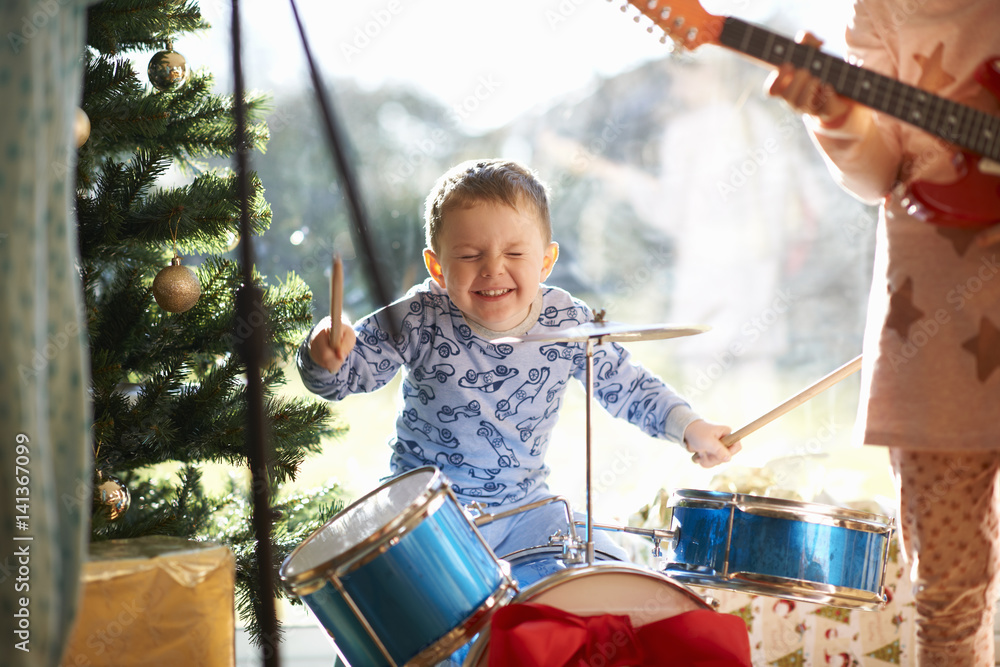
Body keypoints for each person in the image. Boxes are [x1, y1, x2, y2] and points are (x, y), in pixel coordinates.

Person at [298, 158, 741, 563]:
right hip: (423, 517)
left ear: (546, 261)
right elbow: (344, 379)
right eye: (470, 255)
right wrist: (324, 355)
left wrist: (689, 427)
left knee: (602, 578)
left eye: (514, 253)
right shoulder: (419, 315)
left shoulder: (568, 319)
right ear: (436, 268)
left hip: (526, 512)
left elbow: (626, 385)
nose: (493, 268)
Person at [766, 2, 1000, 664]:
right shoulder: (881, 8)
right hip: (930, 325)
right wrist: (836, 116)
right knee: (950, 599)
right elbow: (877, 174)